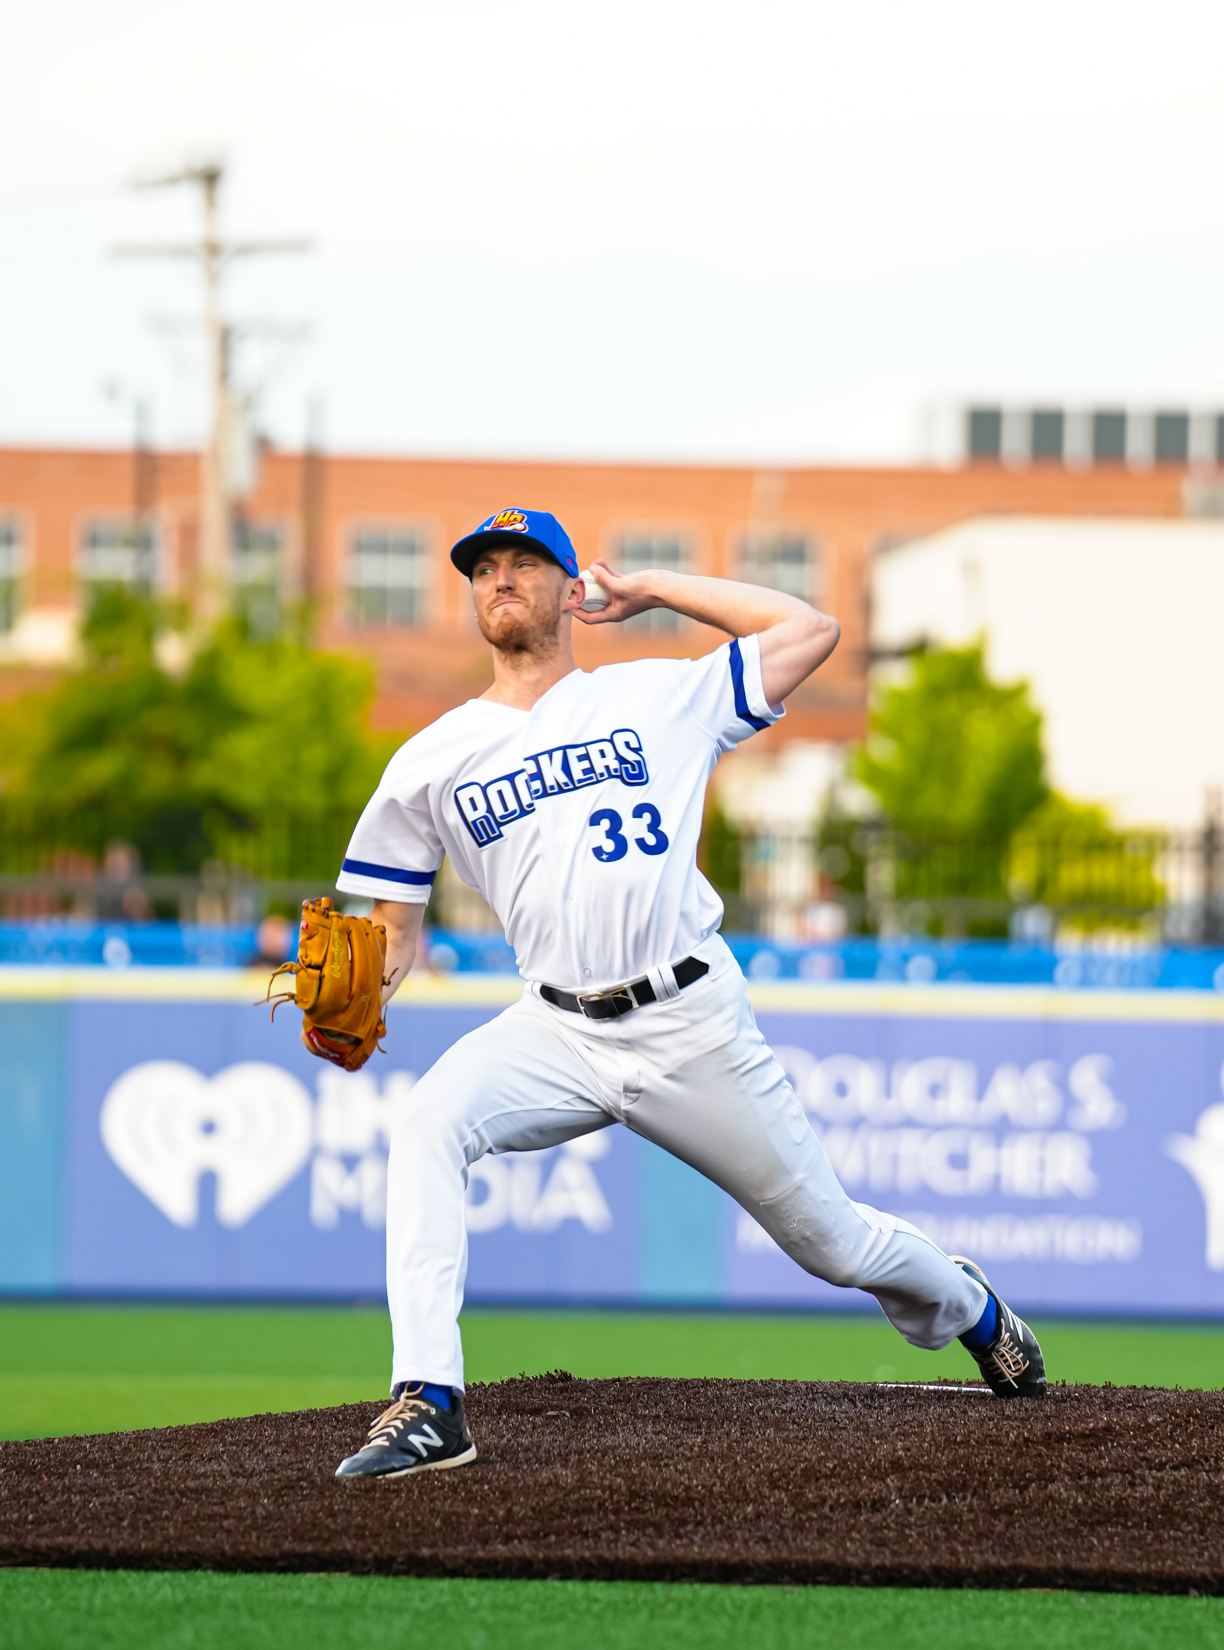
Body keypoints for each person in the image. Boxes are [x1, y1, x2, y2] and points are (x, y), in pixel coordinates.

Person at [327, 507, 1046, 1480]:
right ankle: (429, 1400)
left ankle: (972, 1309)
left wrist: (655, 589)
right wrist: (367, 984)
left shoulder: (659, 694)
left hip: (686, 1020)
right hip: (552, 1028)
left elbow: (809, 631)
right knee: (426, 1123)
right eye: (483, 566)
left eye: (525, 562)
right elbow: (392, 923)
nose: (500, 578)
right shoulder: (430, 756)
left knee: (831, 1242)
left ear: (570, 587)